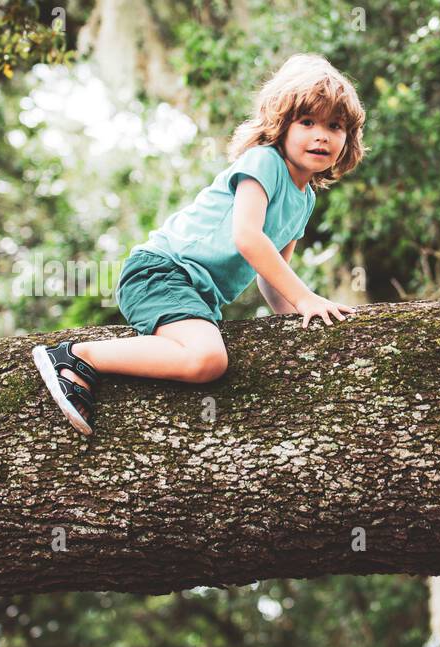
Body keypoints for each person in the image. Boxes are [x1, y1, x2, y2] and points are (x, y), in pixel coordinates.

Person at [32, 52, 368, 434]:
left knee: (205, 354)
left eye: (335, 126)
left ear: (348, 138)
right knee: (208, 360)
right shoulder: (264, 163)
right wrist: (307, 297)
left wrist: (296, 317)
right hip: (160, 273)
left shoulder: (305, 198)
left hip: (192, 293)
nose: (321, 135)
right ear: (282, 127)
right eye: (307, 122)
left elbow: (271, 275)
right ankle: (74, 356)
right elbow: (247, 238)